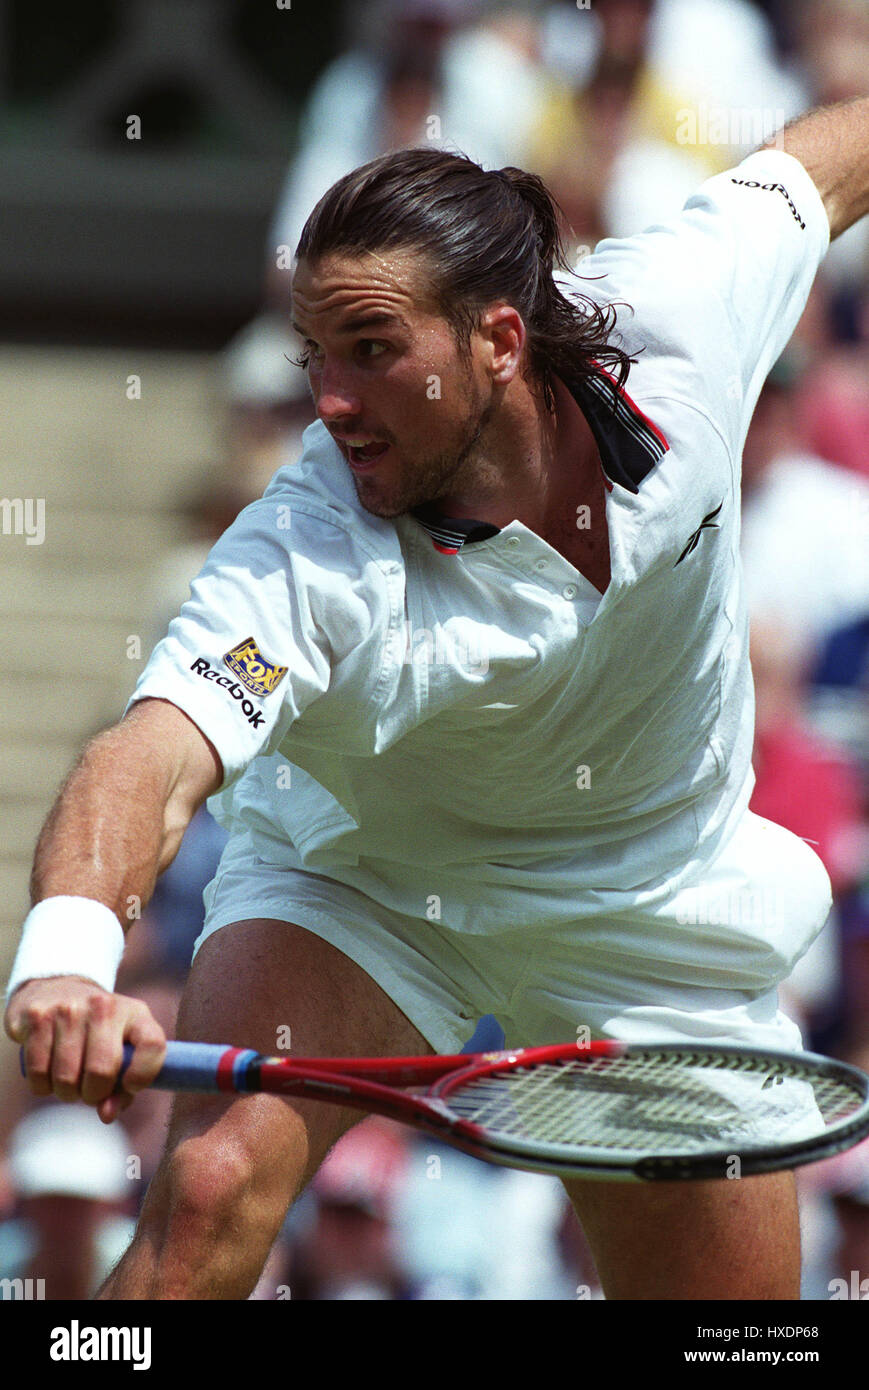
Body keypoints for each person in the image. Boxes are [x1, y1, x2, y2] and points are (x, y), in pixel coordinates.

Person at [5, 96, 869, 1301]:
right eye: (314, 356)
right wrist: (63, 960)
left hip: (650, 906)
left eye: (371, 347)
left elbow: (827, 166)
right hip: (368, 886)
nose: (330, 401)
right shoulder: (302, 554)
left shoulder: (681, 312)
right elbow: (147, 764)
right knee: (204, 1194)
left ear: (499, 339)